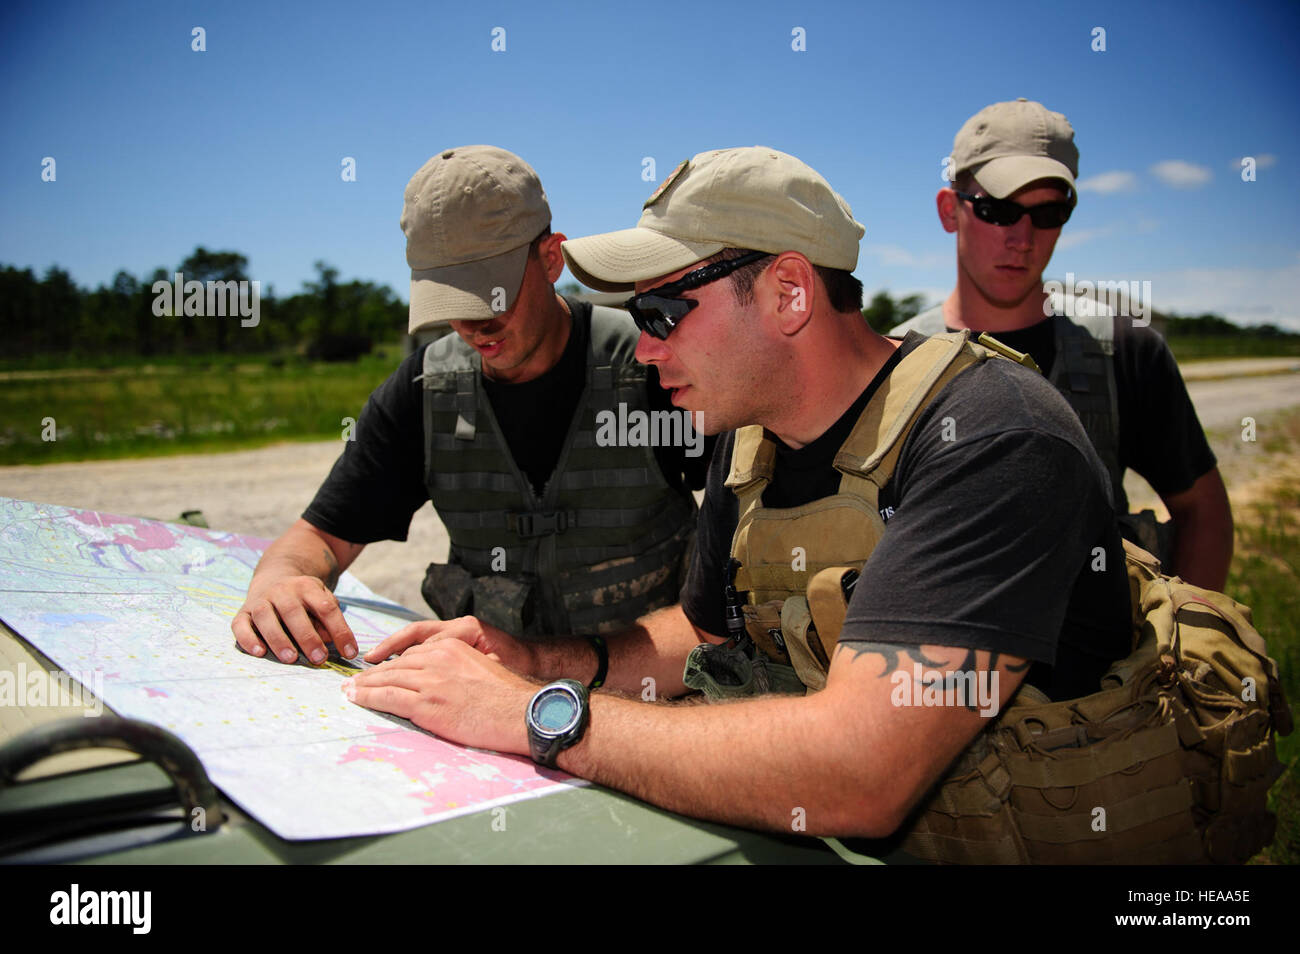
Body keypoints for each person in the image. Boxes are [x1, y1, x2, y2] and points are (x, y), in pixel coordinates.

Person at [340, 146, 1133, 842]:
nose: (644, 351)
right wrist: (535, 661)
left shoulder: (995, 437)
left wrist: (531, 713)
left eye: (661, 311)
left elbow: (861, 774)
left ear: (790, 291)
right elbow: (705, 633)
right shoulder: (749, 435)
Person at [232, 145, 704, 665]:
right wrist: (282, 581)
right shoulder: (424, 390)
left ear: (550, 259)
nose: (474, 326)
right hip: (487, 701)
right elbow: (320, 535)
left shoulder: (655, 365)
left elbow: (746, 543)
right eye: (452, 303)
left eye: (491, 297)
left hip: (650, 688)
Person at [891, 99, 1233, 590]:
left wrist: (1191, 644)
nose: (1023, 238)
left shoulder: (1123, 350)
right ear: (951, 210)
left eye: (1048, 213)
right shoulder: (898, 357)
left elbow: (1203, 512)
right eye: (998, 210)